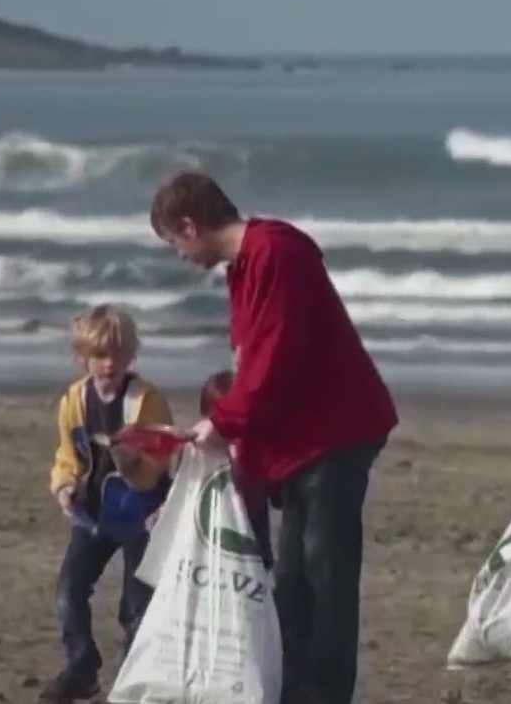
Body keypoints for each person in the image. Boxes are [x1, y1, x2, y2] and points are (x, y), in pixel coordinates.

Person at [149, 170, 399, 704]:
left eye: (174, 242)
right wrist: (227, 426)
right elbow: (252, 363)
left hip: (335, 433)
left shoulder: (274, 253)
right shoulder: (245, 268)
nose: (179, 255)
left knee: (325, 577)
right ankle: (293, 689)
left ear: (190, 226)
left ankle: (323, 695)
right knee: (293, 578)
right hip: (302, 441)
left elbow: (271, 358)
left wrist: (223, 422)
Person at [39, 304, 175, 704]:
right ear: (82, 356)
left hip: (143, 516)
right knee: (69, 592)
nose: (109, 363)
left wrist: (134, 465)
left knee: (136, 607)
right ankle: (82, 670)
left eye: (118, 354)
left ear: (131, 355)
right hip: (94, 513)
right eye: (100, 355)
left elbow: (160, 461)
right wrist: (65, 485)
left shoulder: (146, 401)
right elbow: (69, 456)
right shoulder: (74, 400)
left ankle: (135, 680)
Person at [199, 368, 274, 569]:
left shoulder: (251, 451)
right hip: (212, 546)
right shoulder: (197, 453)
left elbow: (274, 490)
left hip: (251, 547)